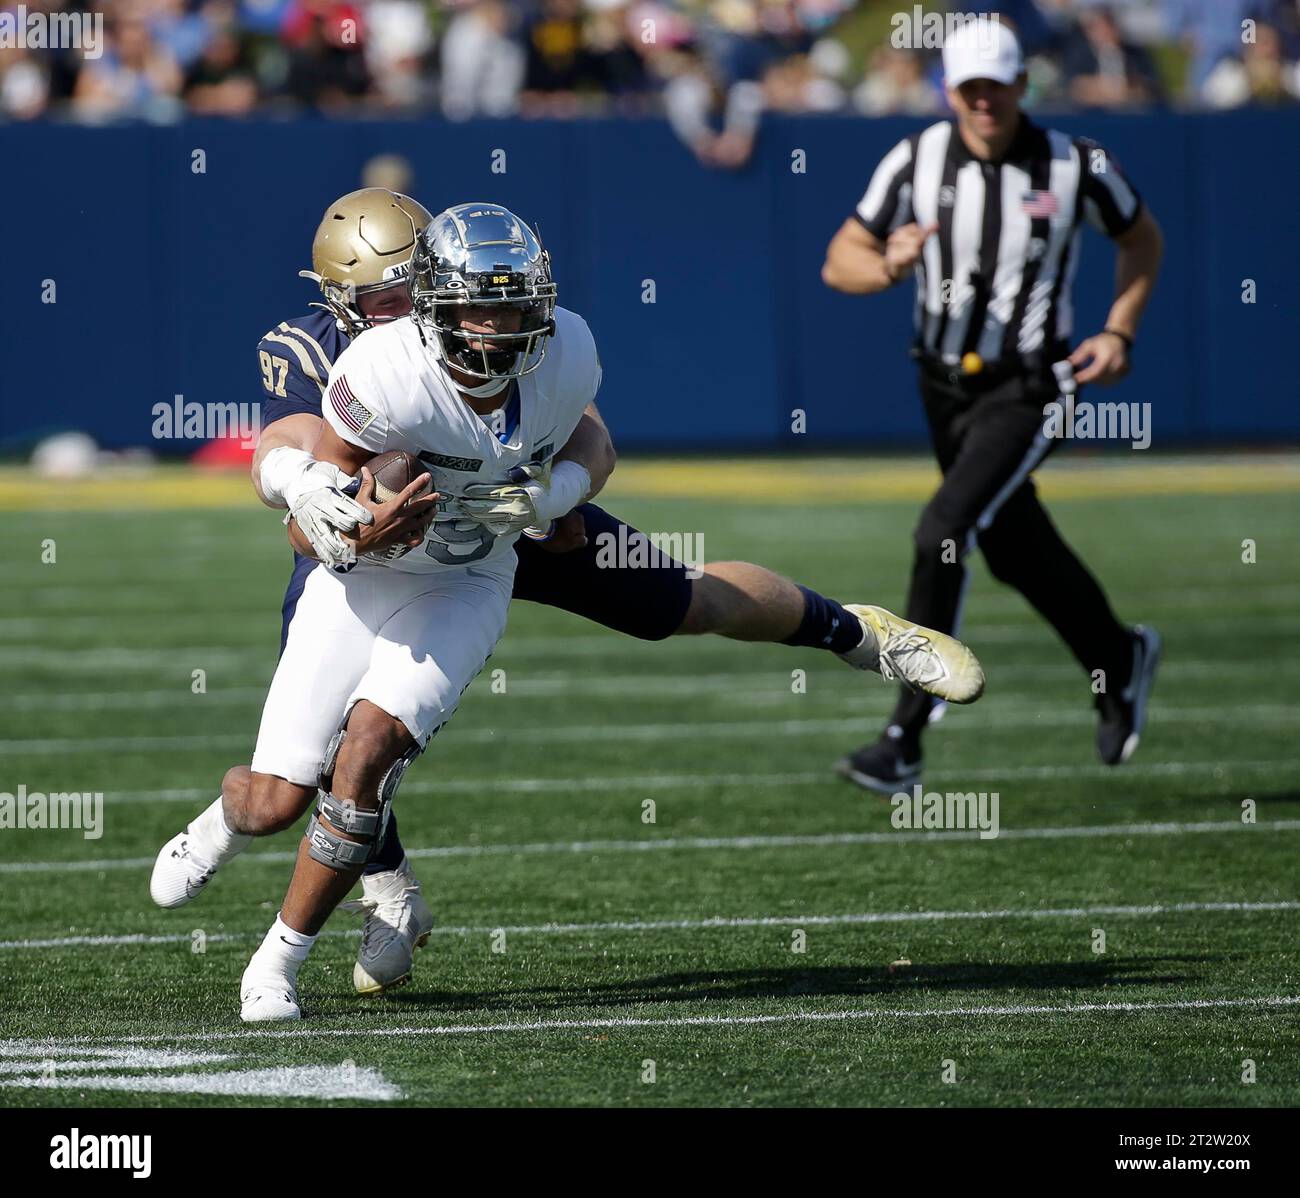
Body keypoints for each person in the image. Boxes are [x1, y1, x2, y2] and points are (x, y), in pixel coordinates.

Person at [151, 191, 985, 1013]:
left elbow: (588, 432)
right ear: (344, 301)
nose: (409, 309)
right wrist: (328, 510)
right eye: (386, 297)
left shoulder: (535, 340)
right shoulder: (342, 360)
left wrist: (557, 497)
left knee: (678, 601)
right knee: (302, 770)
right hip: (374, 548)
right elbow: (291, 452)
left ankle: (860, 633)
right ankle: (386, 888)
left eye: (420, 288)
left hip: (501, 525)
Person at [821, 20, 1164, 794]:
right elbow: (840, 259)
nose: (983, 102)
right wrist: (887, 264)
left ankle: (903, 736)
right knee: (1013, 546)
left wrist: (1119, 330)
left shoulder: (1076, 163)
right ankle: (1117, 656)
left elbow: (1142, 239)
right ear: (949, 89)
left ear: (1021, 85)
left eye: (996, 86)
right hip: (942, 384)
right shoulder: (916, 158)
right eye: (969, 88)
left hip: (1033, 385)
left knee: (942, 529)